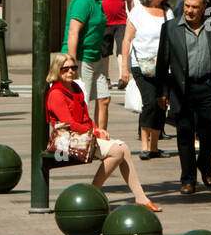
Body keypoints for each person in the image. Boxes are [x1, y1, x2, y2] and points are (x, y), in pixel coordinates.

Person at [45, 52, 160, 211]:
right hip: (67, 140)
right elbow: (69, 124)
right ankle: (93, 193)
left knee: (124, 148)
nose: (70, 71)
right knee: (117, 151)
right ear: (57, 70)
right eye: (65, 69)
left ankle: (141, 198)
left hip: (84, 135)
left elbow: (85, 116)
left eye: (73, 67)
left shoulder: (76, 88)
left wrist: (96, 129)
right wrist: (96, 132)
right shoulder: (56, 93)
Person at [155, 0, 211, 194]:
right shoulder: (170, 28)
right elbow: (163, 61)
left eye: (195, 7)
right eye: (187, 5)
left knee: (208, 133)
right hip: (181, 88)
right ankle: (188, 179)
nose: (189, 11)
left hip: (206, 86)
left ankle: (205, 165)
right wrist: (162, 91)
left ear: (205, 7)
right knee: (184, 134)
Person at [120, 0, 174, 158]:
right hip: (141, 65)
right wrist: (124, 69)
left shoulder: (168, 12)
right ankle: (144, 144)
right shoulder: (138, 12)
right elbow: (127, 40)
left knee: (161, 104)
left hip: (163, 66)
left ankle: (154, 147)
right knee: (150, 103)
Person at [63, 0, 112, 131]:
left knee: (104, 99)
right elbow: (73, 33)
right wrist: (71, 63)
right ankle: (78, 140)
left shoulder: (97, 0)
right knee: (80, 103)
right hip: (82, 60)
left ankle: (100, 138)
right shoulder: (83, 0)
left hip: (95, 58)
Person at [103, 0, 133, 88]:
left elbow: (129, 0)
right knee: (105, 52)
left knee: (122, 49)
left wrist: (133, 17)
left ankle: (122, 77)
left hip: (121, 21)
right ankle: (106, 77)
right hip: (105, 22)